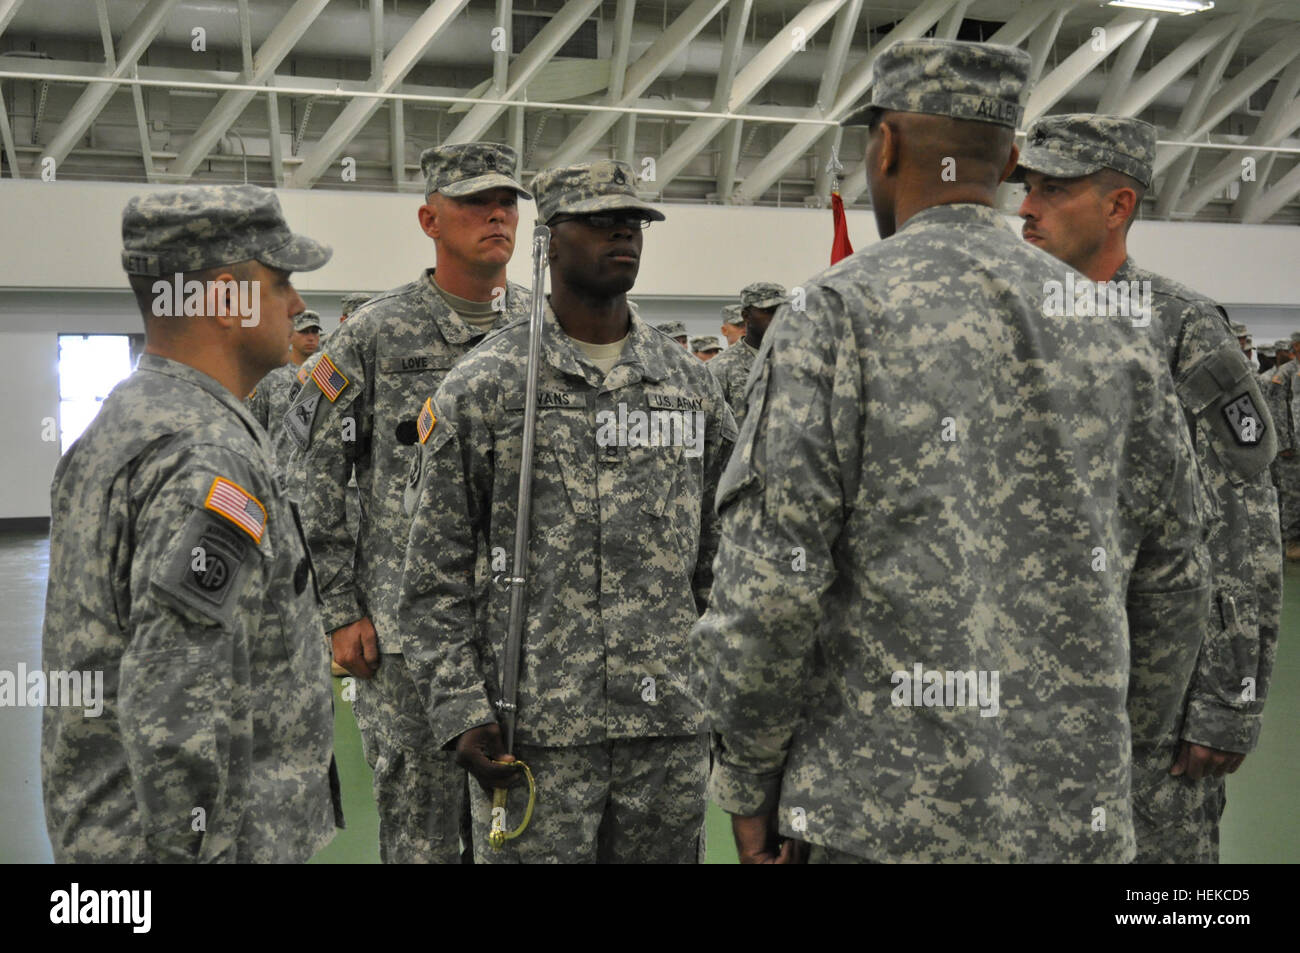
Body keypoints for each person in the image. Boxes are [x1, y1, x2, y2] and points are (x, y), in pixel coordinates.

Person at [694, 39, 1211, 864]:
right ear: (1010, 159)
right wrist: (1105, 757)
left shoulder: (837, 316)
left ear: (886, 146)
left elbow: (772, 584)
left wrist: (748, 778)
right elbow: (1175, 579)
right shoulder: (1120, 329)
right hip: (1070, 818)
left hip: (874, 819)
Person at [399, 159, 736, 863]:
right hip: (534, 738)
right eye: (601, 220)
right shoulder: (488, 387)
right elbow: (434, 575)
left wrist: (724, 694)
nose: (625, 231)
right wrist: (462, 712)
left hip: (667, 734)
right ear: (550, 238)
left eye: (635, 220)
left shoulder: (690, 389)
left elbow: (724, 559)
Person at [42, 184, 342, 863]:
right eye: (281, 280)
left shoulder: (129, 417)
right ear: (225, 297)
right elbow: (175, 704)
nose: (297, 304)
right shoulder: (207, 456)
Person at [1015, 113, 1280, 864]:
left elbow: (1244, 527)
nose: (1027, 207)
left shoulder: (1181, 329)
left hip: (1151, 711)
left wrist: (1230, 700)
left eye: (1054, 189)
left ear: (1118, 206)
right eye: (1027, 187)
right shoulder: (1006, 322)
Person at [285, 142, 533, 864]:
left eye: (508, 201)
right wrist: (339, 610)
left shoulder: (541, 330)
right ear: (429, 218)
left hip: (525, 638)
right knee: (423, 840)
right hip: (405, 642)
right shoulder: (373, 332)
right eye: (474, 201)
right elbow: (311, 472)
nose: (496, 213)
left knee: (523, 834)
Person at [246, 308, 322, 464]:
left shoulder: (328, 375)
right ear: (290, 335)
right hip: (281, 471)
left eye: (314, 332)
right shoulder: (271, 375)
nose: (310, 338)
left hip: (317, 474)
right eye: (304, 332)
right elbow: (254, 426)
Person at [707, 282, 785, 426]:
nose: (777, 318)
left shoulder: (796, 361)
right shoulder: (720, 367)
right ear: (746, 316)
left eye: (781, 311)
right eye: (768, 311)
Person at [1263, 335, 1300, 560]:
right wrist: (1284, 443)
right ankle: (1293, 541)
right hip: (1293, 448)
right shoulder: (1284, 373)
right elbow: (1276, 410)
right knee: (1293, 495)